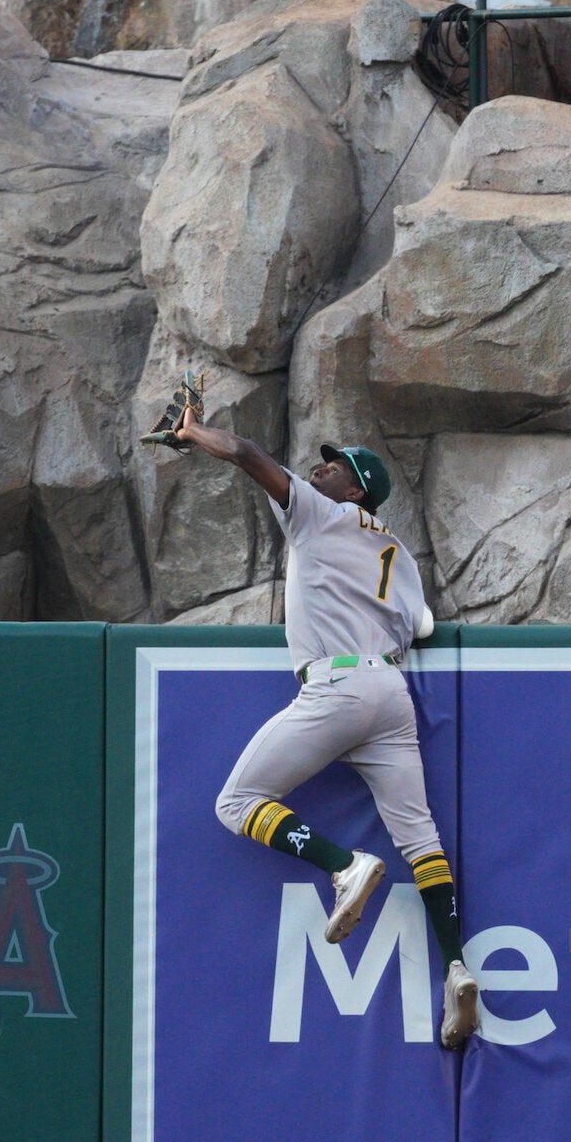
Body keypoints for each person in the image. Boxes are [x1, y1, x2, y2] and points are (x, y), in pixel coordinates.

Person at [172, 407, 480, 1052]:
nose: (318, 469)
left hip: (338, 684)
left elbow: (251, 454)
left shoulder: (320, 513)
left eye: (333, 467)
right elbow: (422, 625)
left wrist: (195, 435)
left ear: (355, 490)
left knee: (236, 803)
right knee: (422, 841)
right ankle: (456, 966)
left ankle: (344, 867)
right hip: (392, 697)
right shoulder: (401, 556)